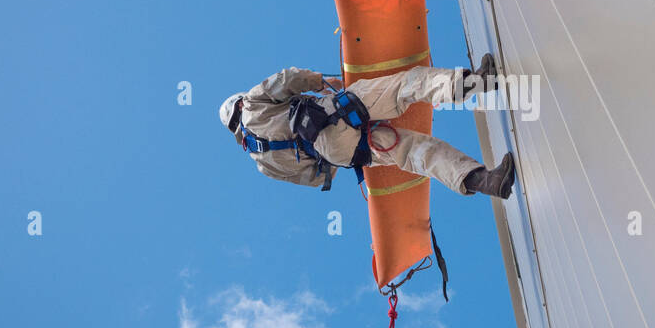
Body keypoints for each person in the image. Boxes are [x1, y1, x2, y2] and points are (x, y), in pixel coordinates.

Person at [218, 55, 515, 198]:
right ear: (239, 105)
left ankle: (485, 181)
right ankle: (478, 81)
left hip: (346, 155)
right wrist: (322, 82)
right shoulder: (253, 104)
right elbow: (287, 80)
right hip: (336, 115)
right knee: (406, 85)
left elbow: (315, 179)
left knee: (417, 153)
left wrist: (335, 151)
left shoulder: (263, 165)